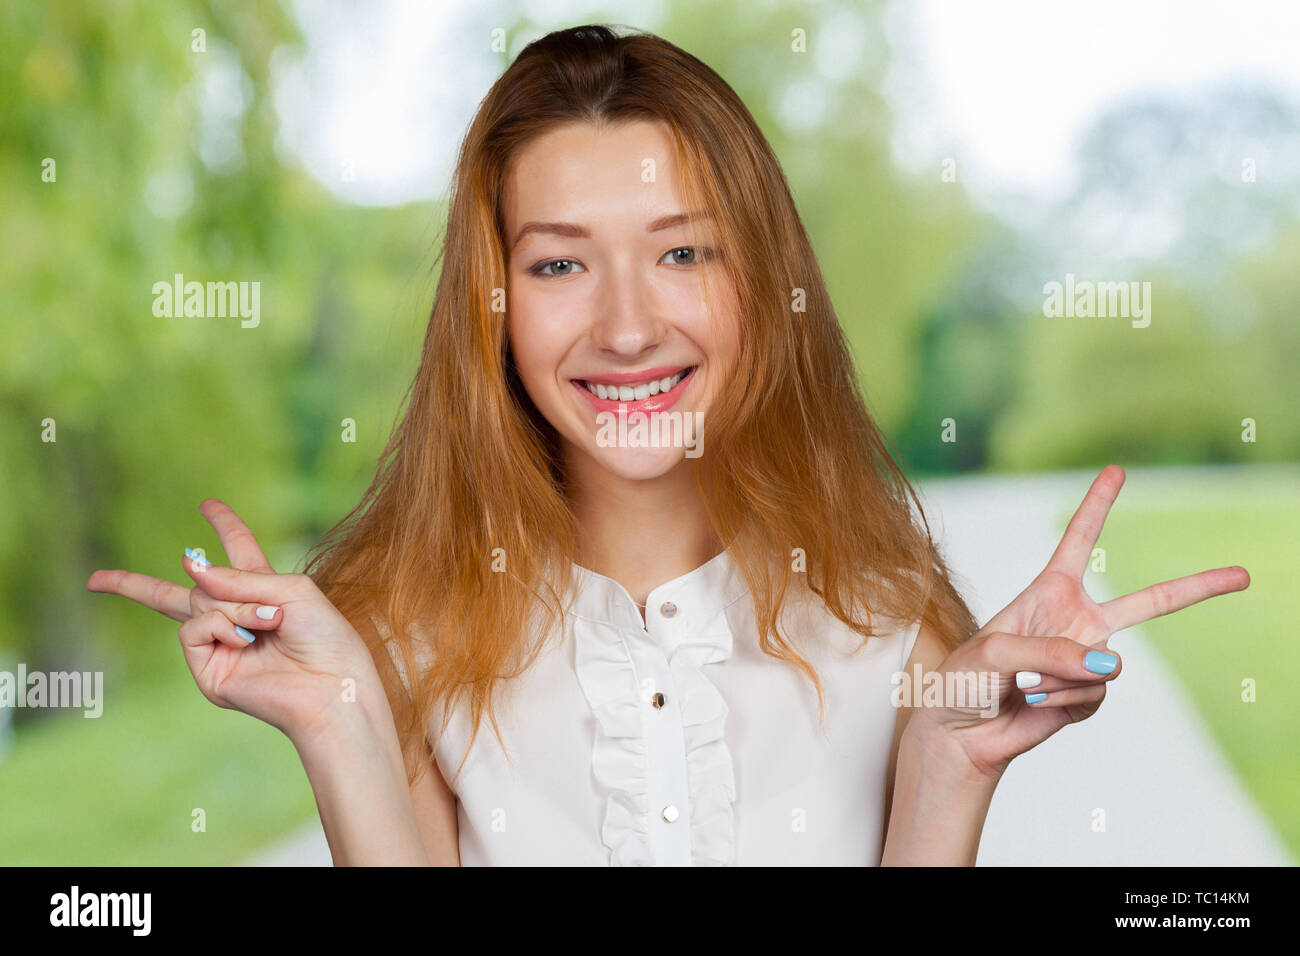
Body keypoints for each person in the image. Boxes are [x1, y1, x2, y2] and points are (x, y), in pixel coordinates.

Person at [86, 24, 1249, 866]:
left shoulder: (894, 622)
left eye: (683, 252)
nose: (629, 324)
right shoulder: (405, 641)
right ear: (491, 303)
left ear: (763, 280)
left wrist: (951, 770)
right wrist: (342, 718)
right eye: (557, 263)